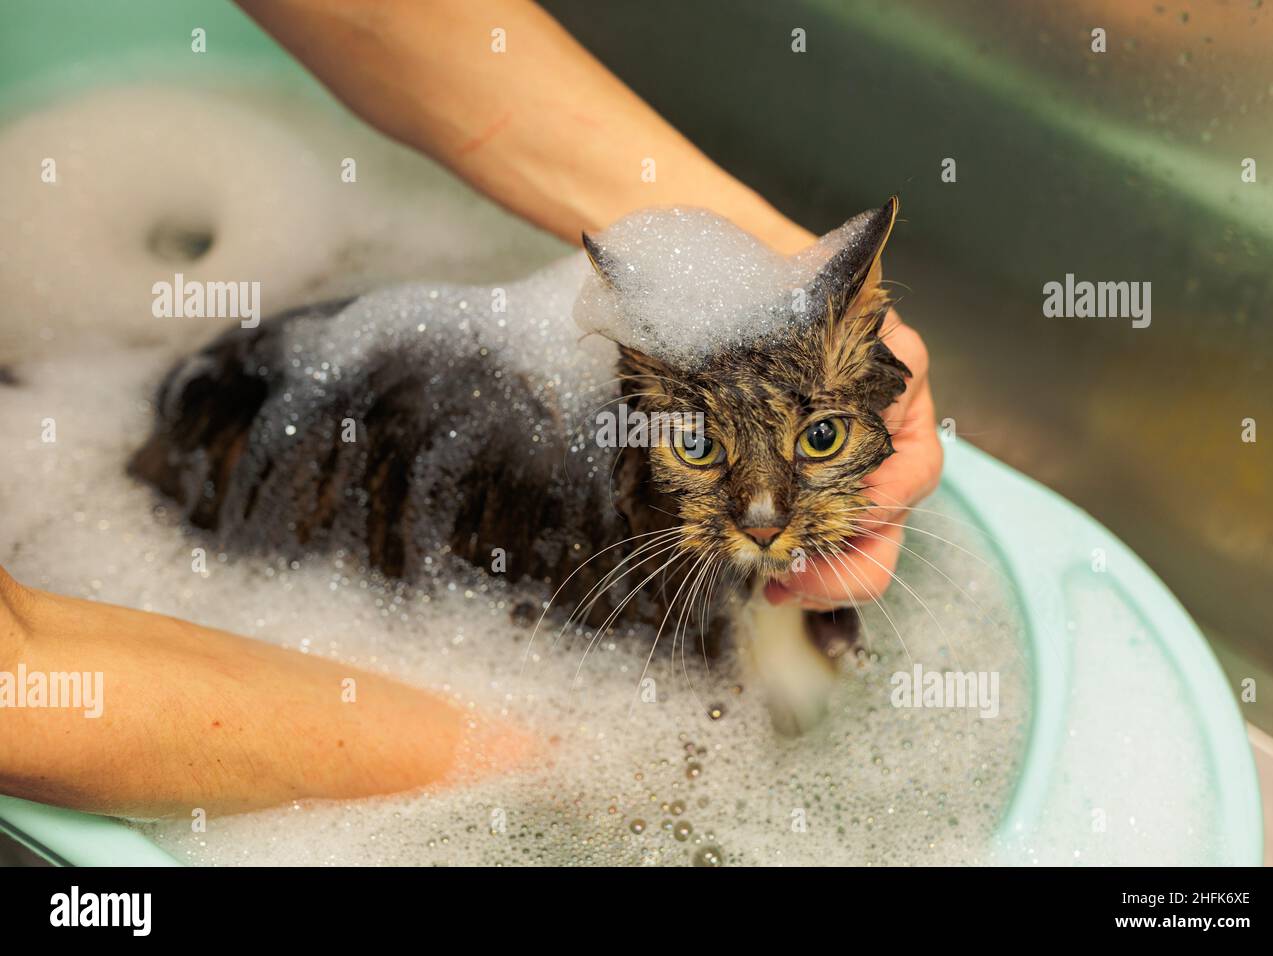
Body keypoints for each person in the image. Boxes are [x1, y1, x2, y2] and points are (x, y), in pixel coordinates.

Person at [0, 0, 940, 818]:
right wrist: (530, 759)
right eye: (699, 448)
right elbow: (25, 686)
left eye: (820, 438)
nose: (764, 512)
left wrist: (779, 274)